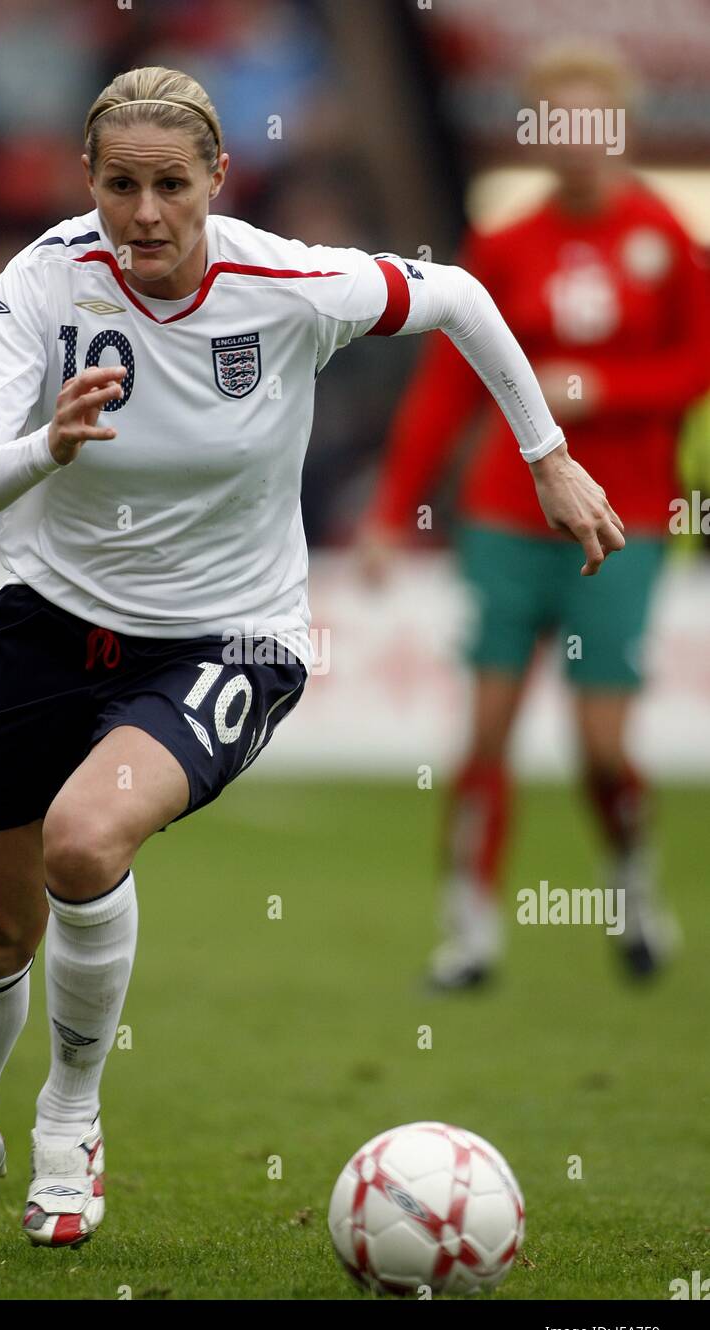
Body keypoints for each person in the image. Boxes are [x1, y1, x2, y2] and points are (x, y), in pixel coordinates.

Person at [0, 64, 622, 1253]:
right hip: (49, 627)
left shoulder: (290, 280)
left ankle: (71, 1113)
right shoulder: (41, 281)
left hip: (229, 636)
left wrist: (545, 454)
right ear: (89, 181)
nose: (147, 214)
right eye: (121, 184)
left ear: (216, 179)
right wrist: (44, 444)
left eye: (172, 184)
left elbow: (464, 297)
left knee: (82, 839)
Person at [359, 45, 709, 991]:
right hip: (507, 519)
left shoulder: (667, 241)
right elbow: (444, 389)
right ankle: (469, 931)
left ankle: (631, 882)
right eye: (561, 122)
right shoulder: (505, 251)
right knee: (485, 730)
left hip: (623, 520)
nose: (580, 144)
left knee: (601, 747)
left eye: (596, 122)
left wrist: (599, 386)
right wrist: (393, 509)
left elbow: (696, 369)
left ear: (620, 130)